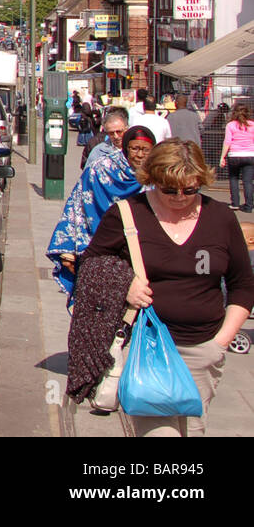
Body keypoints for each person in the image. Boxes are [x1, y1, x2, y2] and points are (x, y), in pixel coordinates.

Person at [84, 139, 254, 436]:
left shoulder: (222, 217)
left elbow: (242, 284)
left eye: (190, 189)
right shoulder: (127, 214)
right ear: (152, 180)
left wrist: (221, 342)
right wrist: (125, 285)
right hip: (146, 349)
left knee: (193, 432)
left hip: (203, 350)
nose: (180, 197)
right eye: (169, 189)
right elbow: (91, 266)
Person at [48, 125, 157, 300]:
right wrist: (69, 249)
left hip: (140, 257)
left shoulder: (157, 176)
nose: (140, 155)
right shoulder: (99, 169)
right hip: (97, 252)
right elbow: (77, 205)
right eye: (135, 149)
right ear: (126, 148)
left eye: (146, 150)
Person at [219, 104, 254, 213]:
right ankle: (249, 206)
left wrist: (222, 157)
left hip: (234, 155)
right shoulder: (252, 125)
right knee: (247, 181)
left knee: (233, 179)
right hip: (250, 155)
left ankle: (235, 203)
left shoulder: (230, 125)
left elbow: (227, 142)